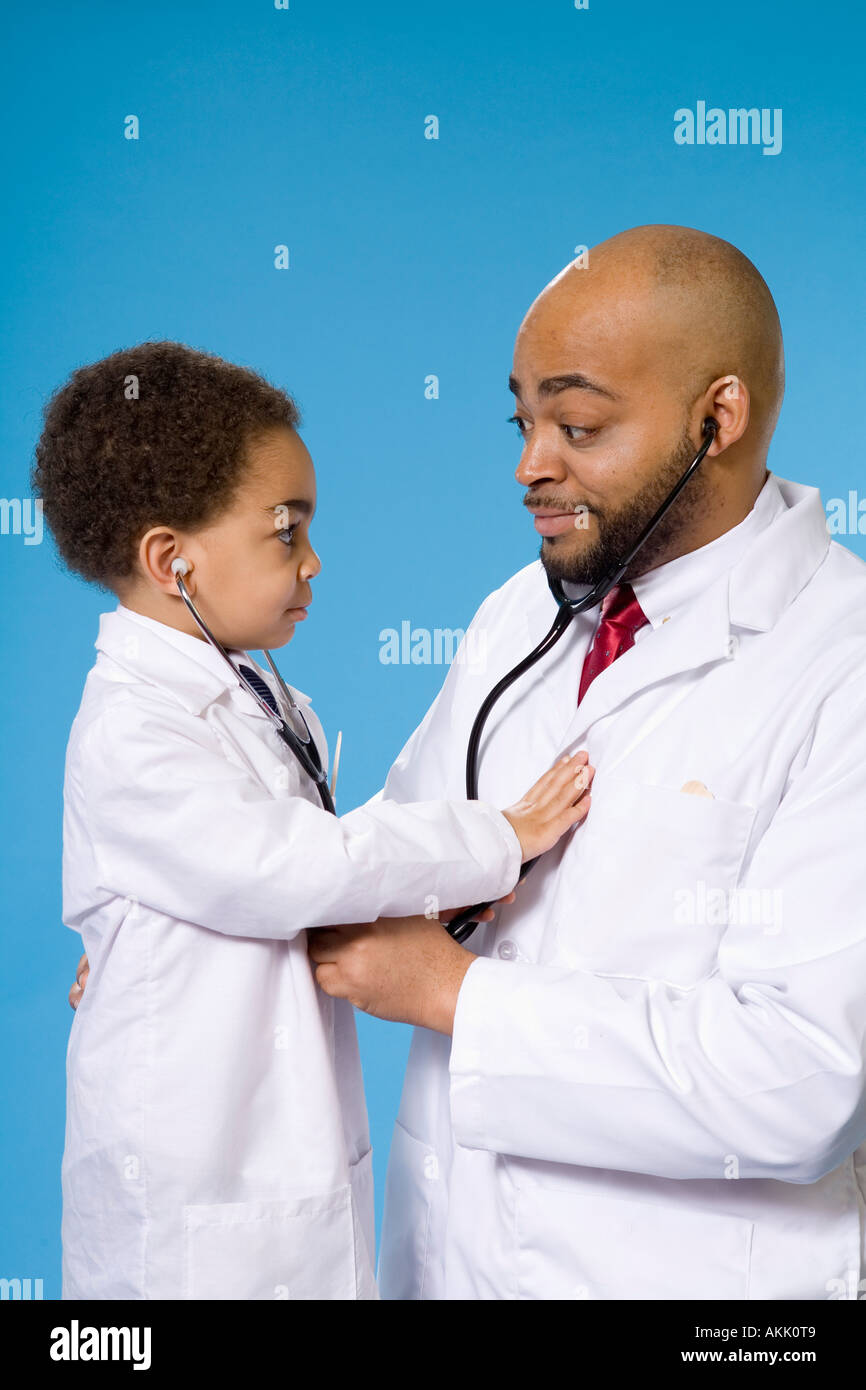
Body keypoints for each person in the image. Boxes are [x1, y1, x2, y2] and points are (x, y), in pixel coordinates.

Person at [307, 224, 866, 1301]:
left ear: (718, 415)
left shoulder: (841, 660)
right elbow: (380, 869)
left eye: (576, 424)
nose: (530, 466)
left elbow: (802, 1078)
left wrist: (459, 997)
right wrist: (192, 932)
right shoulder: (521, 614)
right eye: (520, 421)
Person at [39, 340, 593, 1300]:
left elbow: (311, 863)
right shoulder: (130, 728)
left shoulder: (246, 690)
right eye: (285, 532)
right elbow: (292, 868)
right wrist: (500, 838)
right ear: (173, 562)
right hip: (186, 1204)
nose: (313, 560)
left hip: (276, 1169)